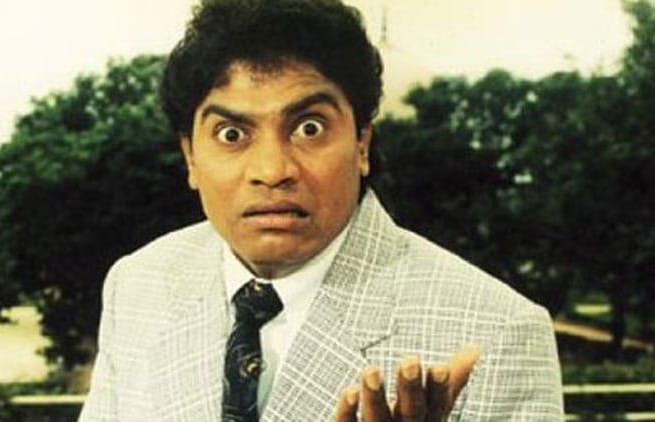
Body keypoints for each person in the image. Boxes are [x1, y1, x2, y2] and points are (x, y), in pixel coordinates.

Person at [79, 0, 564, 420]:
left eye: (308, 127)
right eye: (232, 134)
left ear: (361, 143)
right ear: (190, 157)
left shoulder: (498, 334)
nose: (272, 170)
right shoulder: (138, 284)